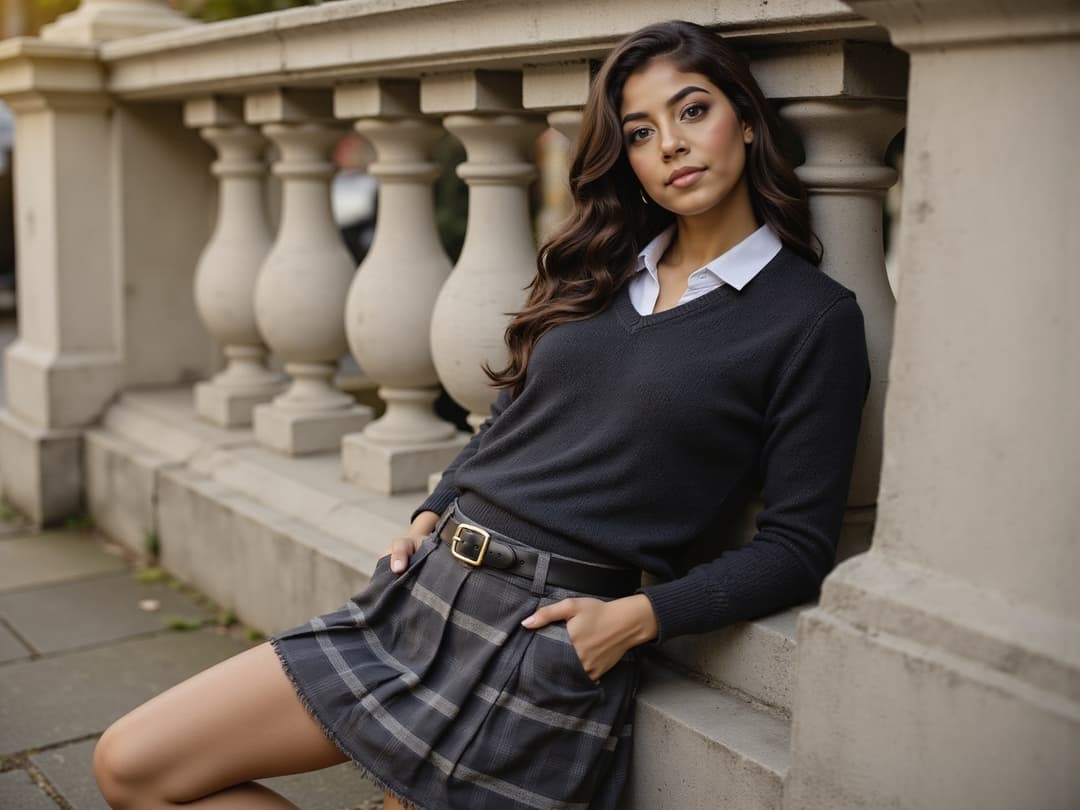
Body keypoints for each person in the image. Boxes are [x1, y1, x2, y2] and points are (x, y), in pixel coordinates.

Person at [92, 19, 869, 810]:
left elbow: (799, 546)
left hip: (553, 639)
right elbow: (511, 413)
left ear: (745, 116)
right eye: (641, 131)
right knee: (131, 765)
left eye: (692, 110)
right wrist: (436, 506)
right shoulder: (599, 268)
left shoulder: (810, 319)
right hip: (422, 595)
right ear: (627, 160)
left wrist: (638, 619)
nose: (671, 143)